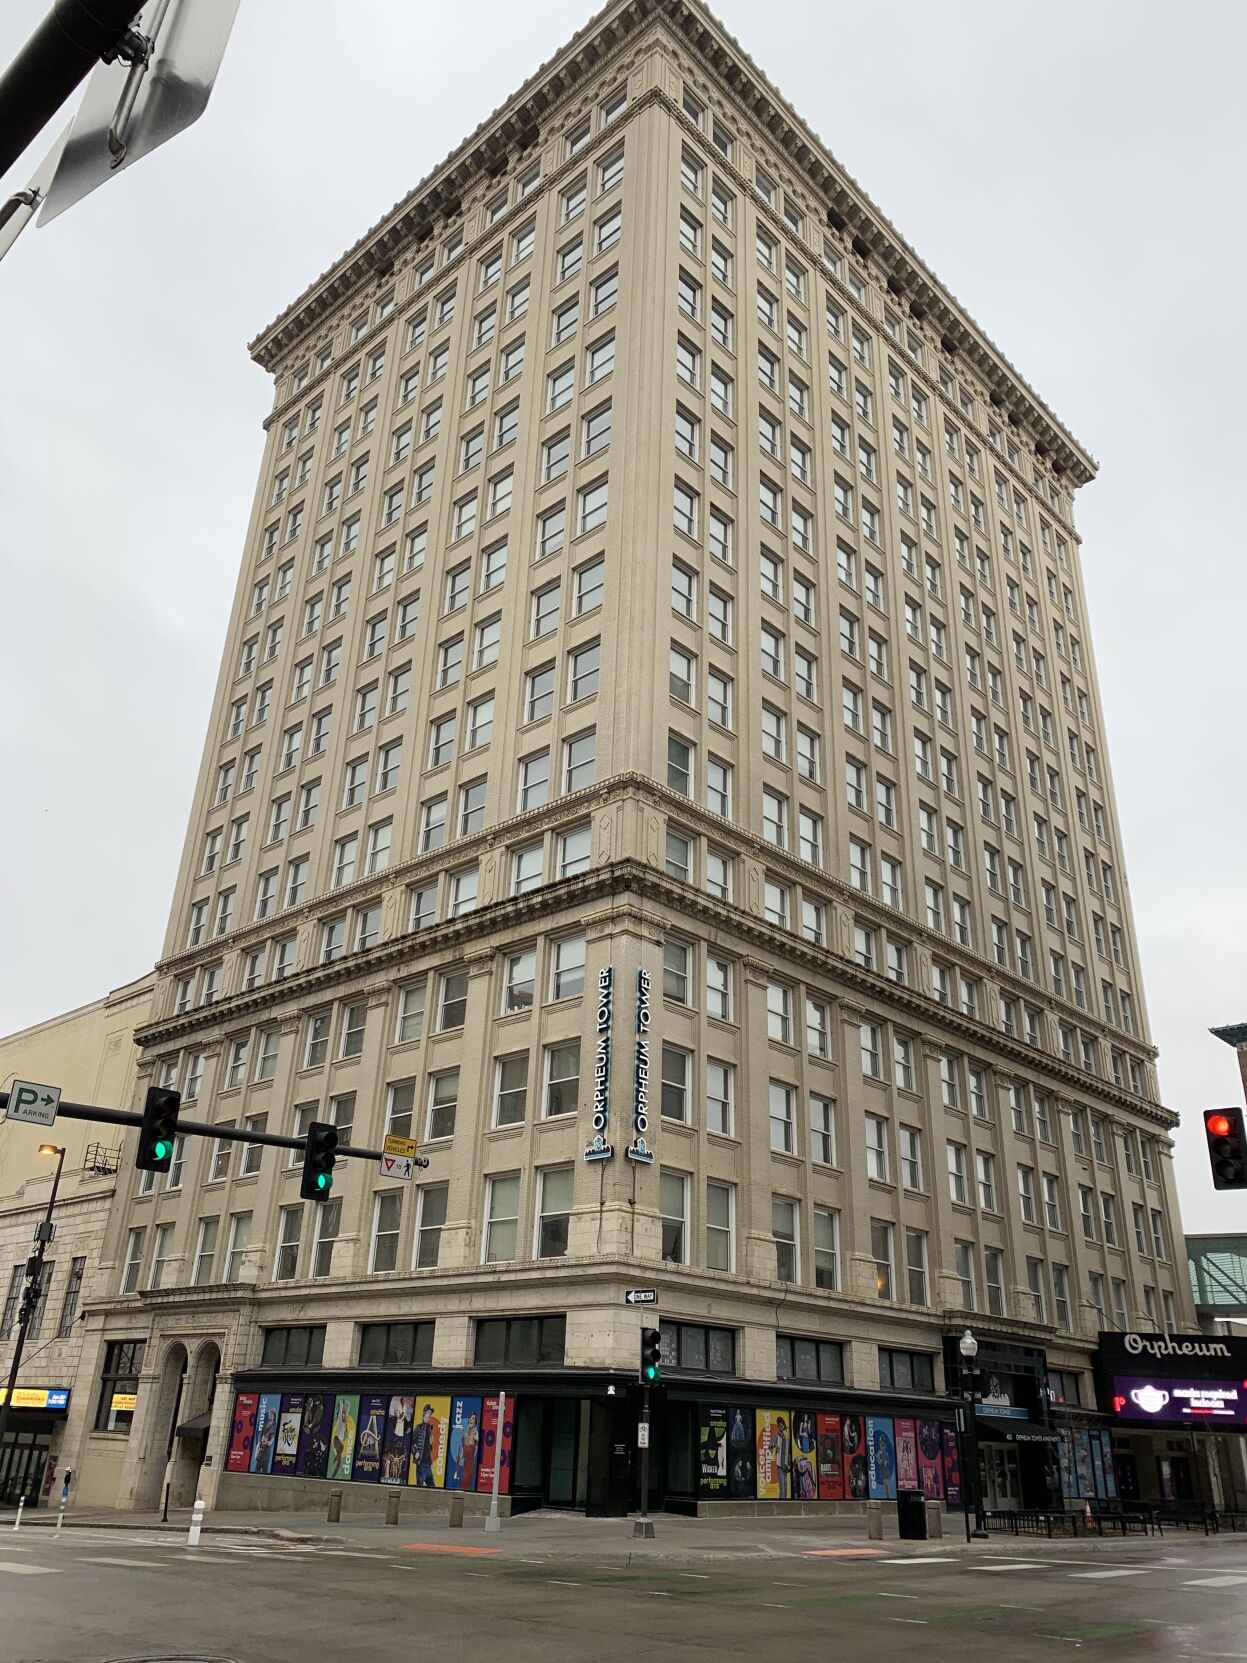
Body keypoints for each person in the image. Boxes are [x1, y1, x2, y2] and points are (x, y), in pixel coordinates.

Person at [411, 1403, 438, 1487]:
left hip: (428, 1463)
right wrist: (415, 1452)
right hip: (421, 1462)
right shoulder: (418, 1428)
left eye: (430, 1414)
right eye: (428, 1413)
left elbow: (429, 1448)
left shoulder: (430, 1429)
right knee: (419, 1485)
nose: (429, 1415)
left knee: (432, 1486)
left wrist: (431, 1443)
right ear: (424, 1414)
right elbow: (411, 1442)